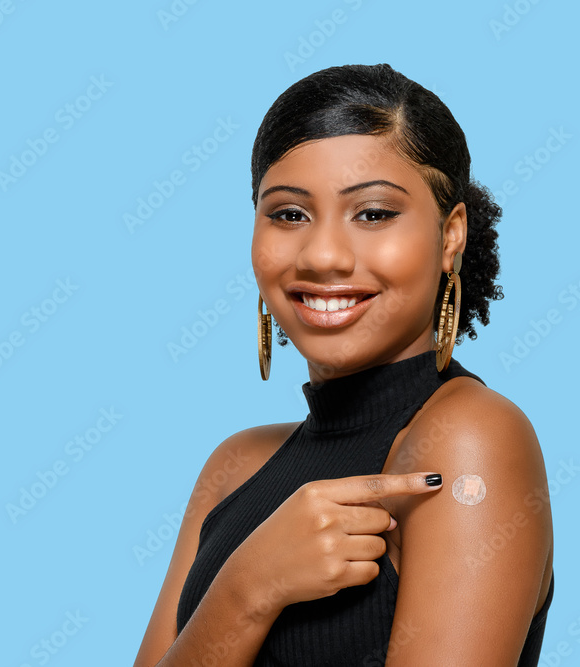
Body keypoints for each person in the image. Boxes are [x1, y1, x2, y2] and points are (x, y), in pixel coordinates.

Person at [133, 63, 554, 666]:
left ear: (450, 236)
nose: (324, 256)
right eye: (289, 214)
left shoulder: (466, 439)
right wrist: (248, 588)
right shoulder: (234, 465)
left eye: (374, 213)